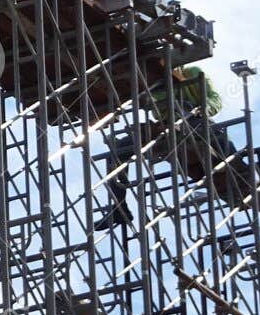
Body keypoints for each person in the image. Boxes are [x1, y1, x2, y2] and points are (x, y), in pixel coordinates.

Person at [95, 65, 246, 230]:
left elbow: (214, 99)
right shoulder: (147, 82)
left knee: (221, 151)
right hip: (165, 129)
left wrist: (201, 110)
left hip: (196, 122)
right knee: (117, 153)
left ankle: (241, 183)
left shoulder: (193, 73)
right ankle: (119, 208)